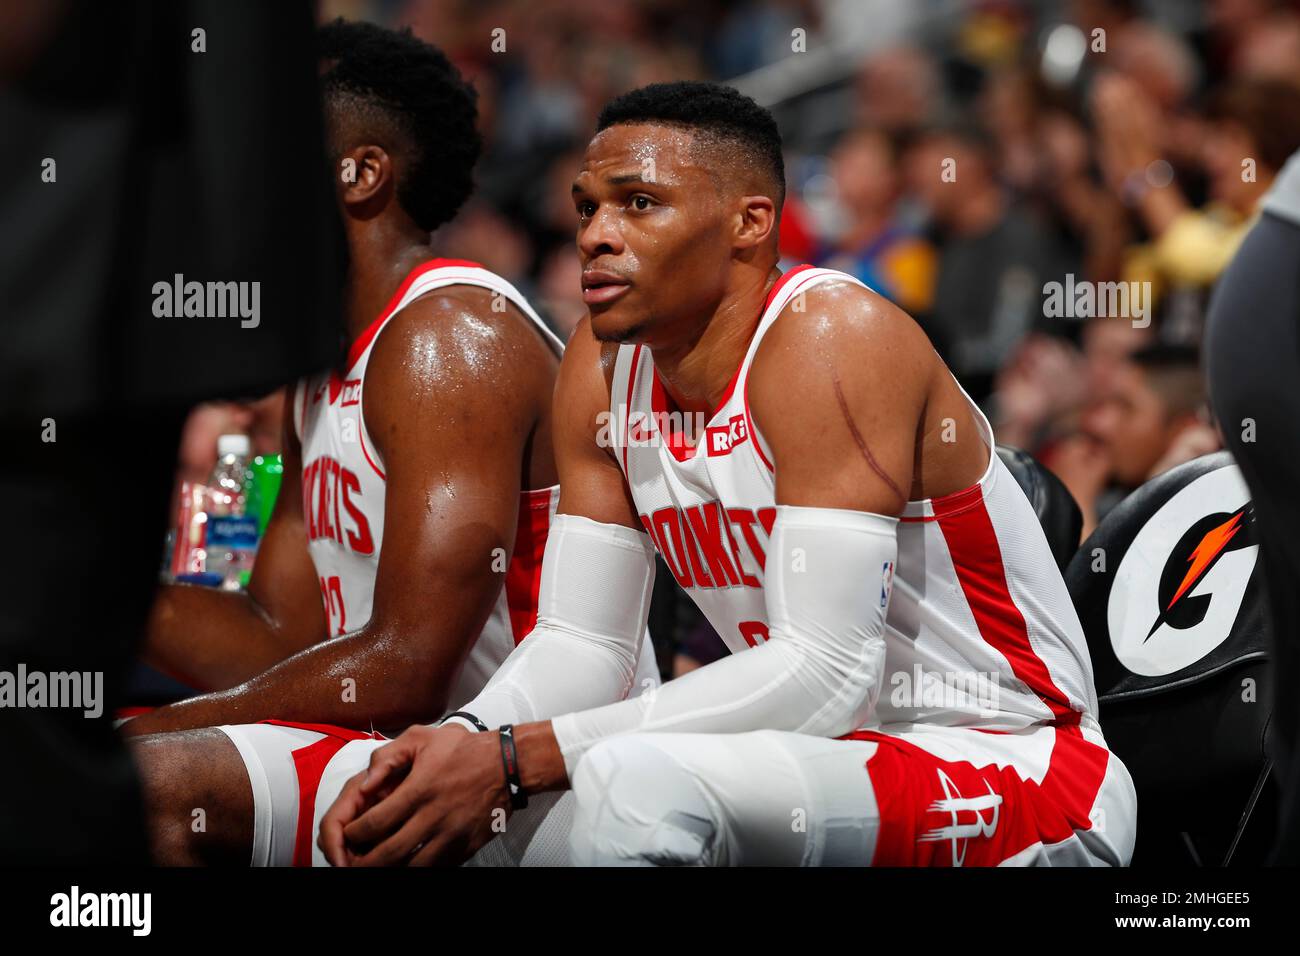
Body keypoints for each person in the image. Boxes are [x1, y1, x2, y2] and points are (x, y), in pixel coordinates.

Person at [316, 81, 1136, 867]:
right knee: (408, 814)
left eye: (639, 203)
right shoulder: (599, 370)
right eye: (586, 207)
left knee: (634, 791)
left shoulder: (832, 339)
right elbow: (584, 642)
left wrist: (514, 756)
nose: (597, 234)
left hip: (1010, 761)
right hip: (815, 757)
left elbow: (829, 671)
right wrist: (464, 742)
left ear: (750, 222)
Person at [128, 19, 657, 866]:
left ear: (361, 173)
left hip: (522, 778)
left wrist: (148, 731)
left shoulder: (446, 335)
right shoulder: (310, 370)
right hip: (400, 749)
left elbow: (406, 665)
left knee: (136, 782)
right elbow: (281, 638)